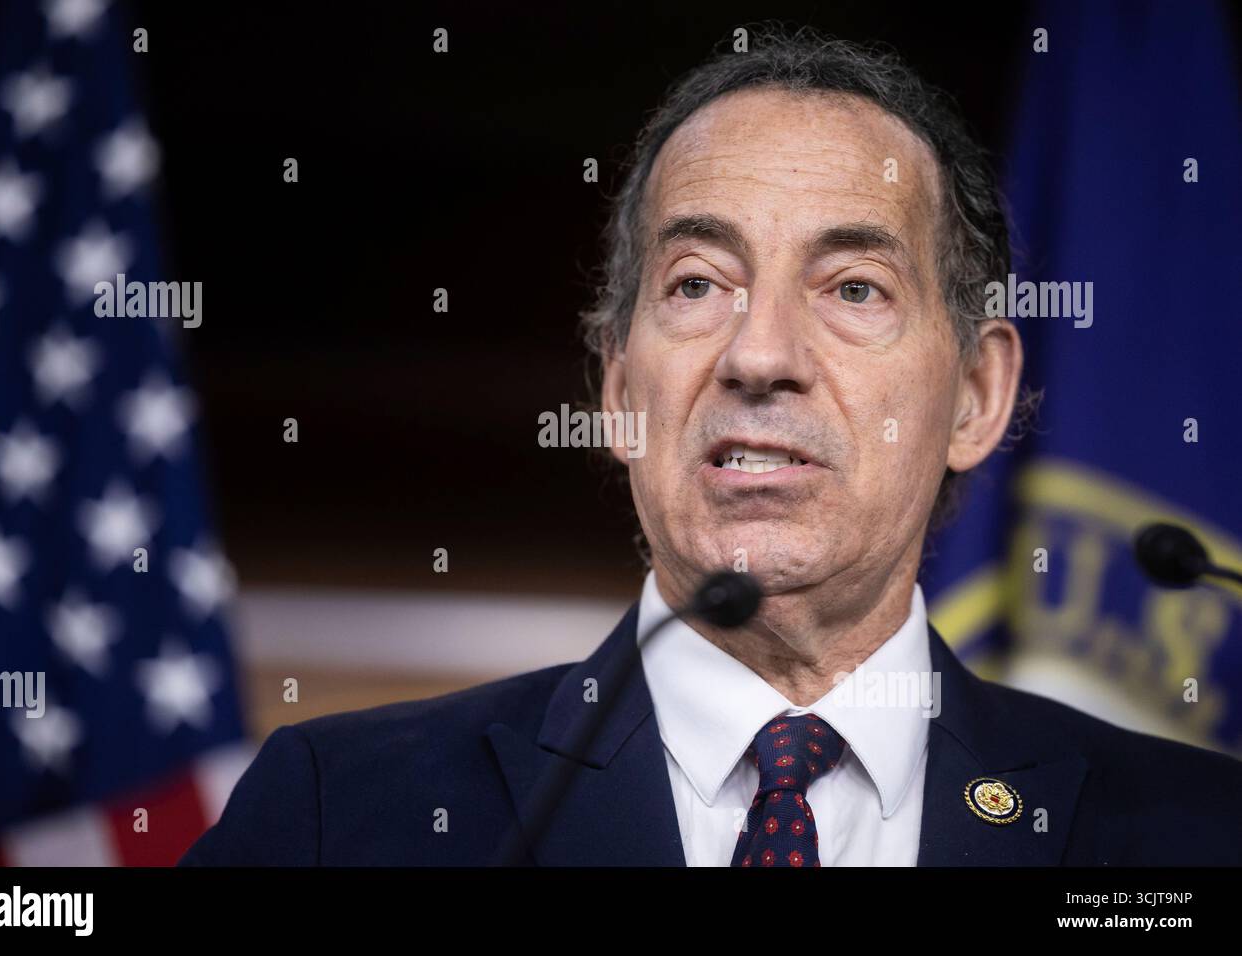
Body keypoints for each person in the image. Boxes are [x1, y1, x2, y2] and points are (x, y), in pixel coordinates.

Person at [181, 26, 1242, 867]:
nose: (759, 354)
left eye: (853, 288)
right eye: (697, 283)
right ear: (616, 387)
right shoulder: (339, 811)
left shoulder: (1195, 833)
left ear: (975, 394)